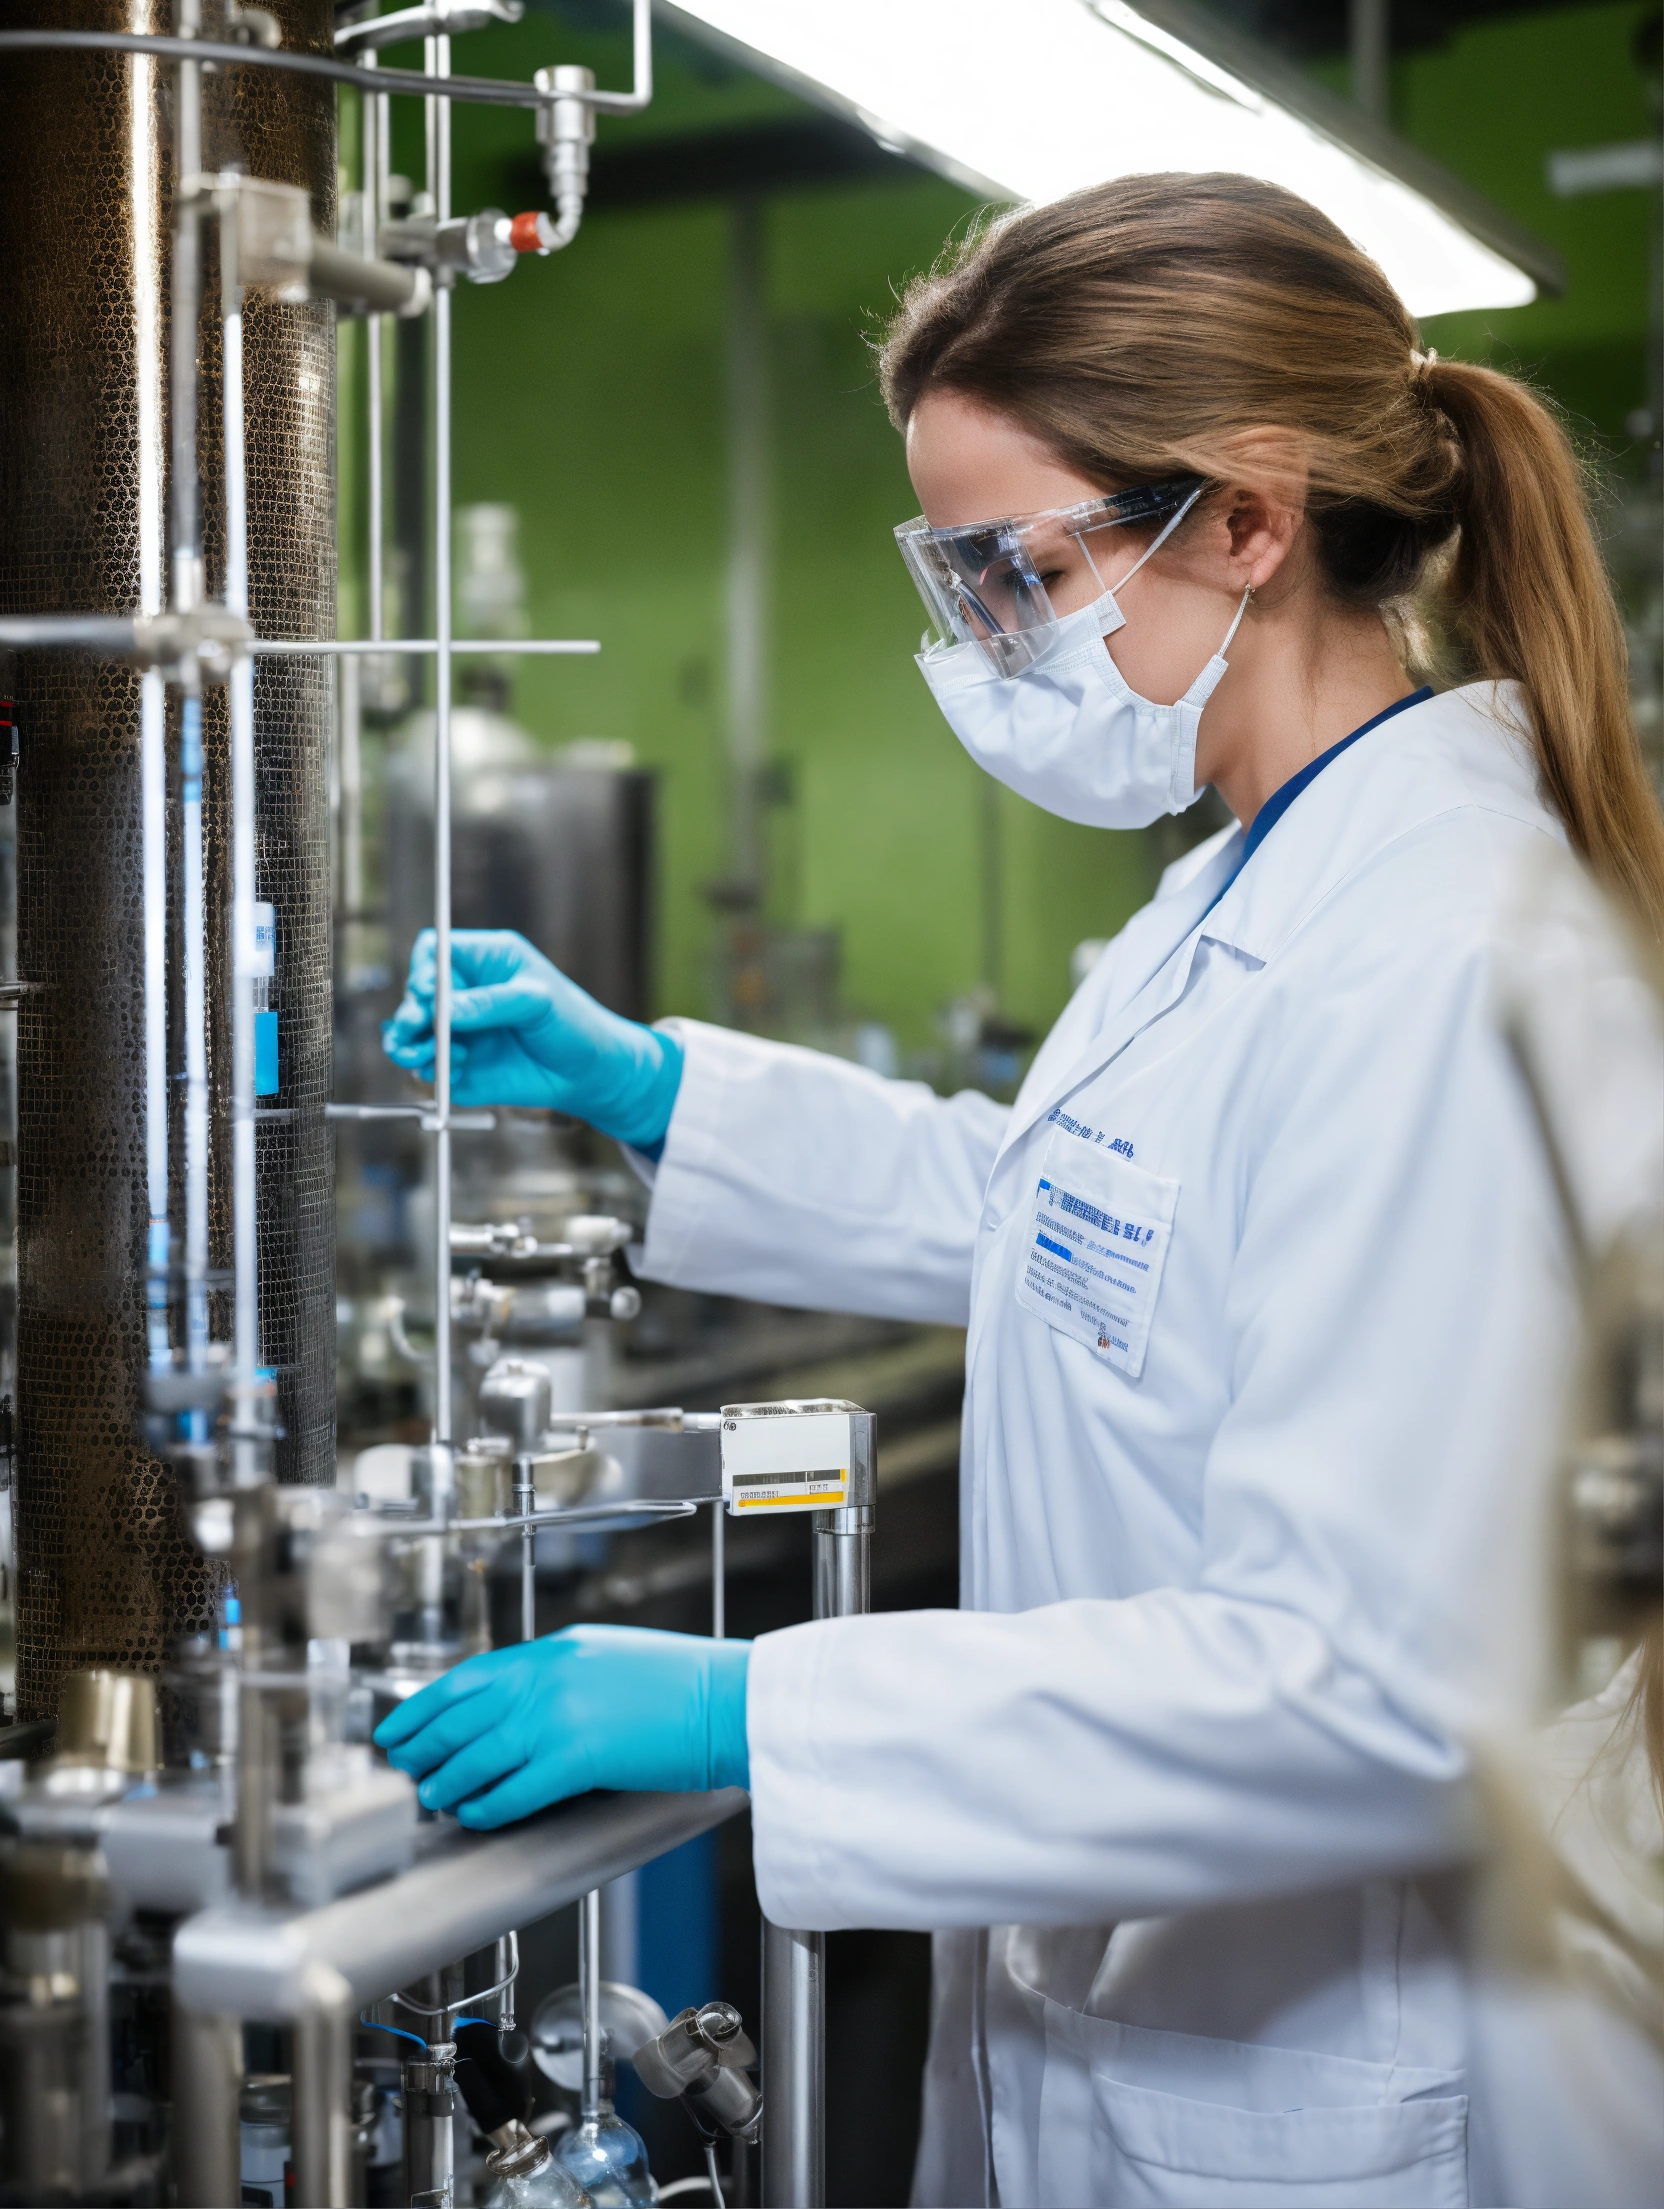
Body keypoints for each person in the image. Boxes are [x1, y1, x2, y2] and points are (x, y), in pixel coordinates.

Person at [375, 174, 1664, 2208]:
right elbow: (1078, 1230)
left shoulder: (1445, 959)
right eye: (953, 579)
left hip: (1359, 2081)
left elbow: (1374, 1686)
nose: (976, 647)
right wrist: (652, 1091)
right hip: (1156, 2014)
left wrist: (755, 1709)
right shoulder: (1236, 893)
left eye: (1016, 575)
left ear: (1249, 520)